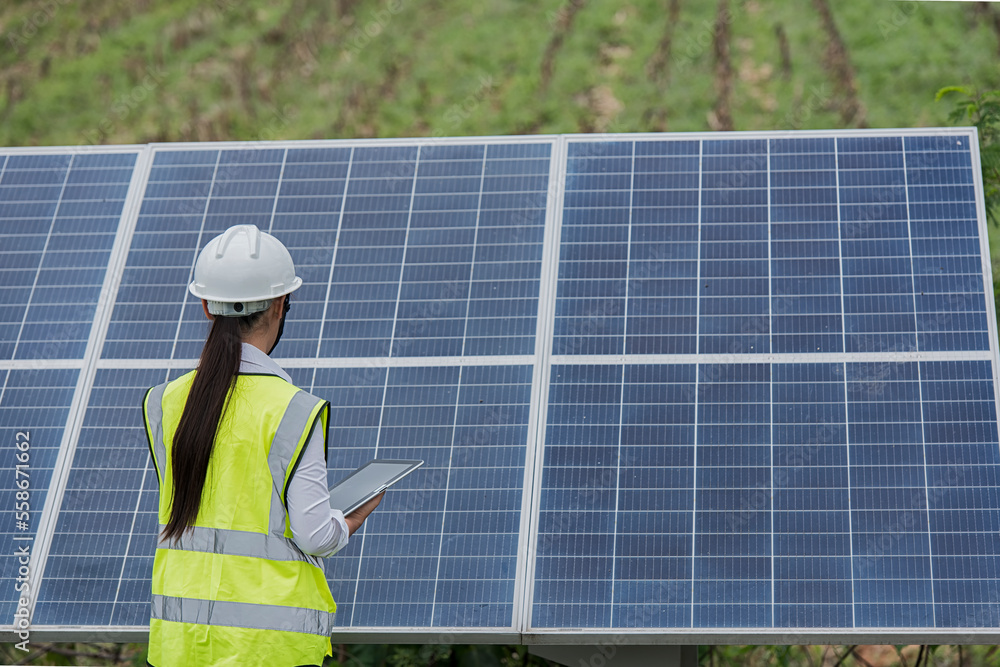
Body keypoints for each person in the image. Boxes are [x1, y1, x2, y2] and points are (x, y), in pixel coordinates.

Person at [141, 224, 382, 667]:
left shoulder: (163, 402)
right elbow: (316, 535)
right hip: (271, 650)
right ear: (279, 304)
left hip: (180, 645)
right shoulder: (293, 409)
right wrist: (349, 519)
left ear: (206, 308)